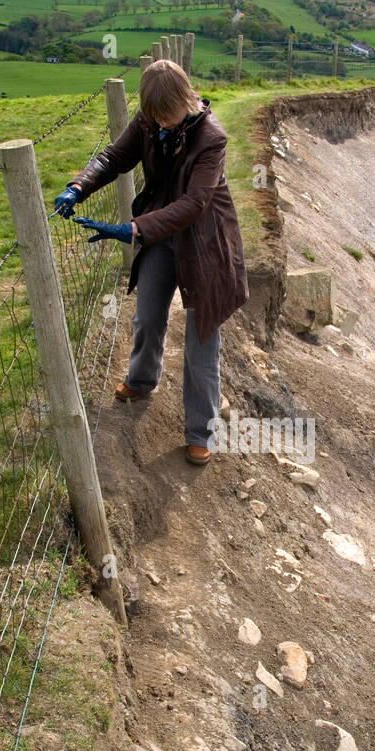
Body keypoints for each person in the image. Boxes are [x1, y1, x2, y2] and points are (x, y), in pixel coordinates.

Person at [55, 59, 248, 466]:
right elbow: (114, 158)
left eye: (167, 115)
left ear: (185, 99)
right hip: (159, 232)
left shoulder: (212, 138)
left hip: (205, 244)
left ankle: (201, 432)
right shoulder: (147, 120)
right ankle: (141, 381)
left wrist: (133, 229)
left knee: (201, 338)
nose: (160, 124)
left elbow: (195, 204)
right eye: (154, 116)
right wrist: (78, 186)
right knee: (147, 315)